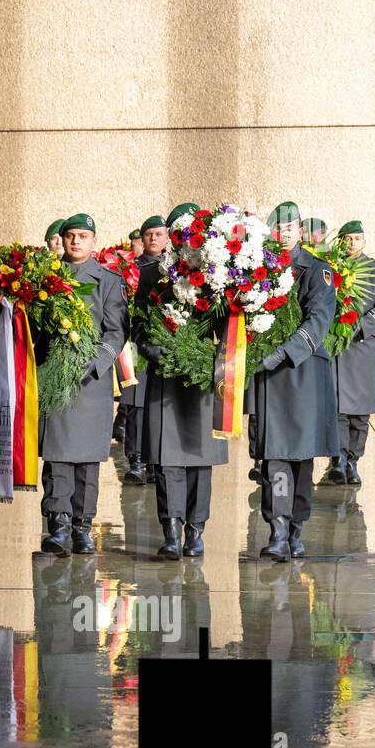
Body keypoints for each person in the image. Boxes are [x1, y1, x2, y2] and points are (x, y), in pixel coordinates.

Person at [134, 204, 228, 558]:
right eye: (179, 234)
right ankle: (171, 530)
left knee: (200, 459)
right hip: (166, 378)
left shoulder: (217, 274)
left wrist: (216, 360)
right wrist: (155, 350)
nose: (185, 241)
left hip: (203, 376)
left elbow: (231, 328)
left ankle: (196, 529)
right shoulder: (152, 275)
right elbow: (139, 324)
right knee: (166, 457)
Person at [252, 202, 339, 560]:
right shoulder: (257, 269)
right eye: (278, 227)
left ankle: (296, 527)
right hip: (270, 380)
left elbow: (319, 319)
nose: (283, 233)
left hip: (301, 372)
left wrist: (284, 352)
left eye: (290, 228)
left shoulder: (316, 271)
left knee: (300, 456)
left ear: (300, 231)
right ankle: (277, 528)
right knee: (274, 455)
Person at [38, 213, 128, 555]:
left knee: (88, 461)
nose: (76, 241)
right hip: (54, 378)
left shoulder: (107, 280)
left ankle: (82, 526)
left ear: (94, 242)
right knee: (58, 458)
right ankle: (58, 525)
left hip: (91, 383)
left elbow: (117, 330)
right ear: (62, 240)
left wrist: (93, 364)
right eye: (70, 235)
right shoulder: (47, 279)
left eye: (83, 236)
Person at [325, 220, 375, 485]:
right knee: (338, 408)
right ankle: (339, 459)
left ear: (364, 241)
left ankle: (354, 460)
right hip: (337, 349)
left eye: (357, 238)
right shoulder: (331, 268)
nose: (352, 243)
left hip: (362, 346)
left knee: (360, 413)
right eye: (347, 239)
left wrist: (359, 326)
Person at [117, 214, 168, 485]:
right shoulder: (130, 269)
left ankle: (154, 461)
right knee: (135, 403)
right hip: (135, 342)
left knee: (156, 404)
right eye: (148, 234)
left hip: (161, 342)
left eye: (158, 234)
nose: (153, 239)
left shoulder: (172, 268)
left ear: (166, 237)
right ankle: (135, 460)